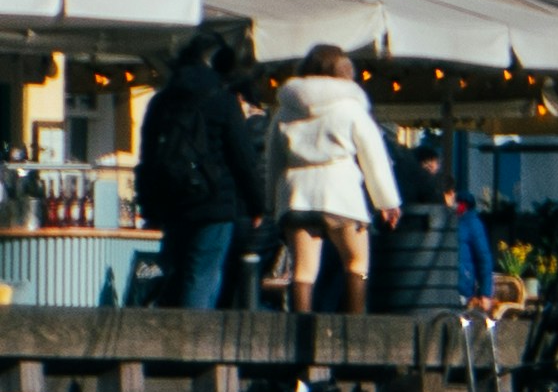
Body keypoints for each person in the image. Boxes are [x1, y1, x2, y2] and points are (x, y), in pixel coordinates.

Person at [132, 27, 266, 312]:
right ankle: (192, 350)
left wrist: (149, 207)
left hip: (172, 202)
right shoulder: (222, 100)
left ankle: (165, 345)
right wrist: (257, 206)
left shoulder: (161, 101)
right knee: (202, 276)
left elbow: (148, 157)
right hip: (215, 202)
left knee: (174, 273)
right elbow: (241, 157)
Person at [262, 43, 401, 316]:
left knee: (303, 271)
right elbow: (374, 157)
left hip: (296, 195)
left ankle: (300, 344)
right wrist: (387, 201)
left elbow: (273, 161)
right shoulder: (351, 108)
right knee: (357, 263)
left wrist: (270, 203)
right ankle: (354, 335)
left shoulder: (285, 110)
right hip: (341, 194)